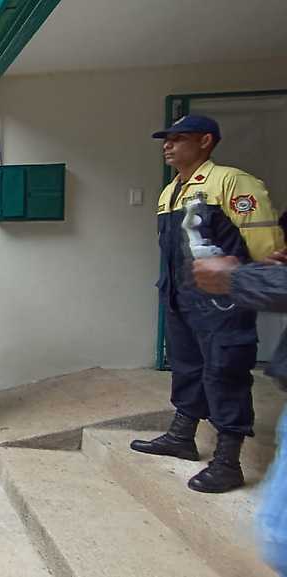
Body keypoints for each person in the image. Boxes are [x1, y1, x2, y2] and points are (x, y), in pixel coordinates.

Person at [131, 115, 284, 494]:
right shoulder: (171, 191)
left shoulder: (230, 181)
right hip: (179, 294)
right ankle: (182, 436)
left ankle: (227, 461)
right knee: (186, 366)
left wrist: (259, 283)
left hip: (222, 300)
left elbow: (267, 247)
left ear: (205, 141)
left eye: (177, 139)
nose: (167, 145)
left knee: (224, 370)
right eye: (165, 140)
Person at [193, 251, 287, 574]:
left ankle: (228, 458)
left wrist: (240, 279)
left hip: (229, 303)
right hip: (209, 293)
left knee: (281, 540)